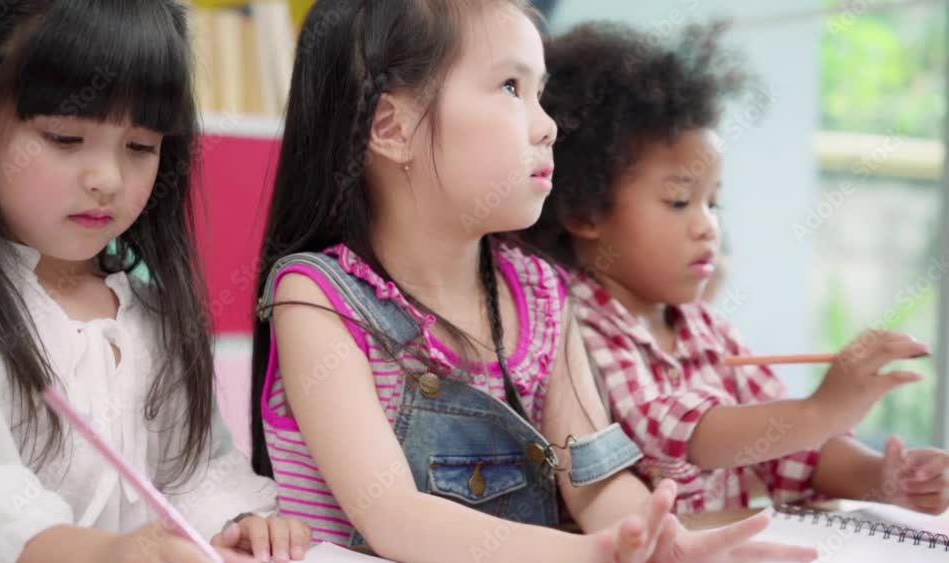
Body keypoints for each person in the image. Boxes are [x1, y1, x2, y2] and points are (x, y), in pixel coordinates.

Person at [248, 2, 820, 562]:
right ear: (392, 128)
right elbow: (394, 518)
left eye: (539, 93)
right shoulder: (317, 299)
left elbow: (596, 481)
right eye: (509, 88)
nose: (546, 126)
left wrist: (655, 541)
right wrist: (589, 553)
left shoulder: (543, 293)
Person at [521, 20, 949, 516]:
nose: (708, 228)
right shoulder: (575, 324)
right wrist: (820, 409)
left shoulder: (706, 330)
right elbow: (678, 433)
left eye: (714, 203)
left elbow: (792, 451)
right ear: (584, 212)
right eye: (680, 201)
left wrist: (882, 477)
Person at [0, 2, 311, 561]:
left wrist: (240, 521)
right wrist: (104, 553)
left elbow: (197, 472)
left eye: (141, 147)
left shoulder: (150, 314)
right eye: (65, 137)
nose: (108, 179)